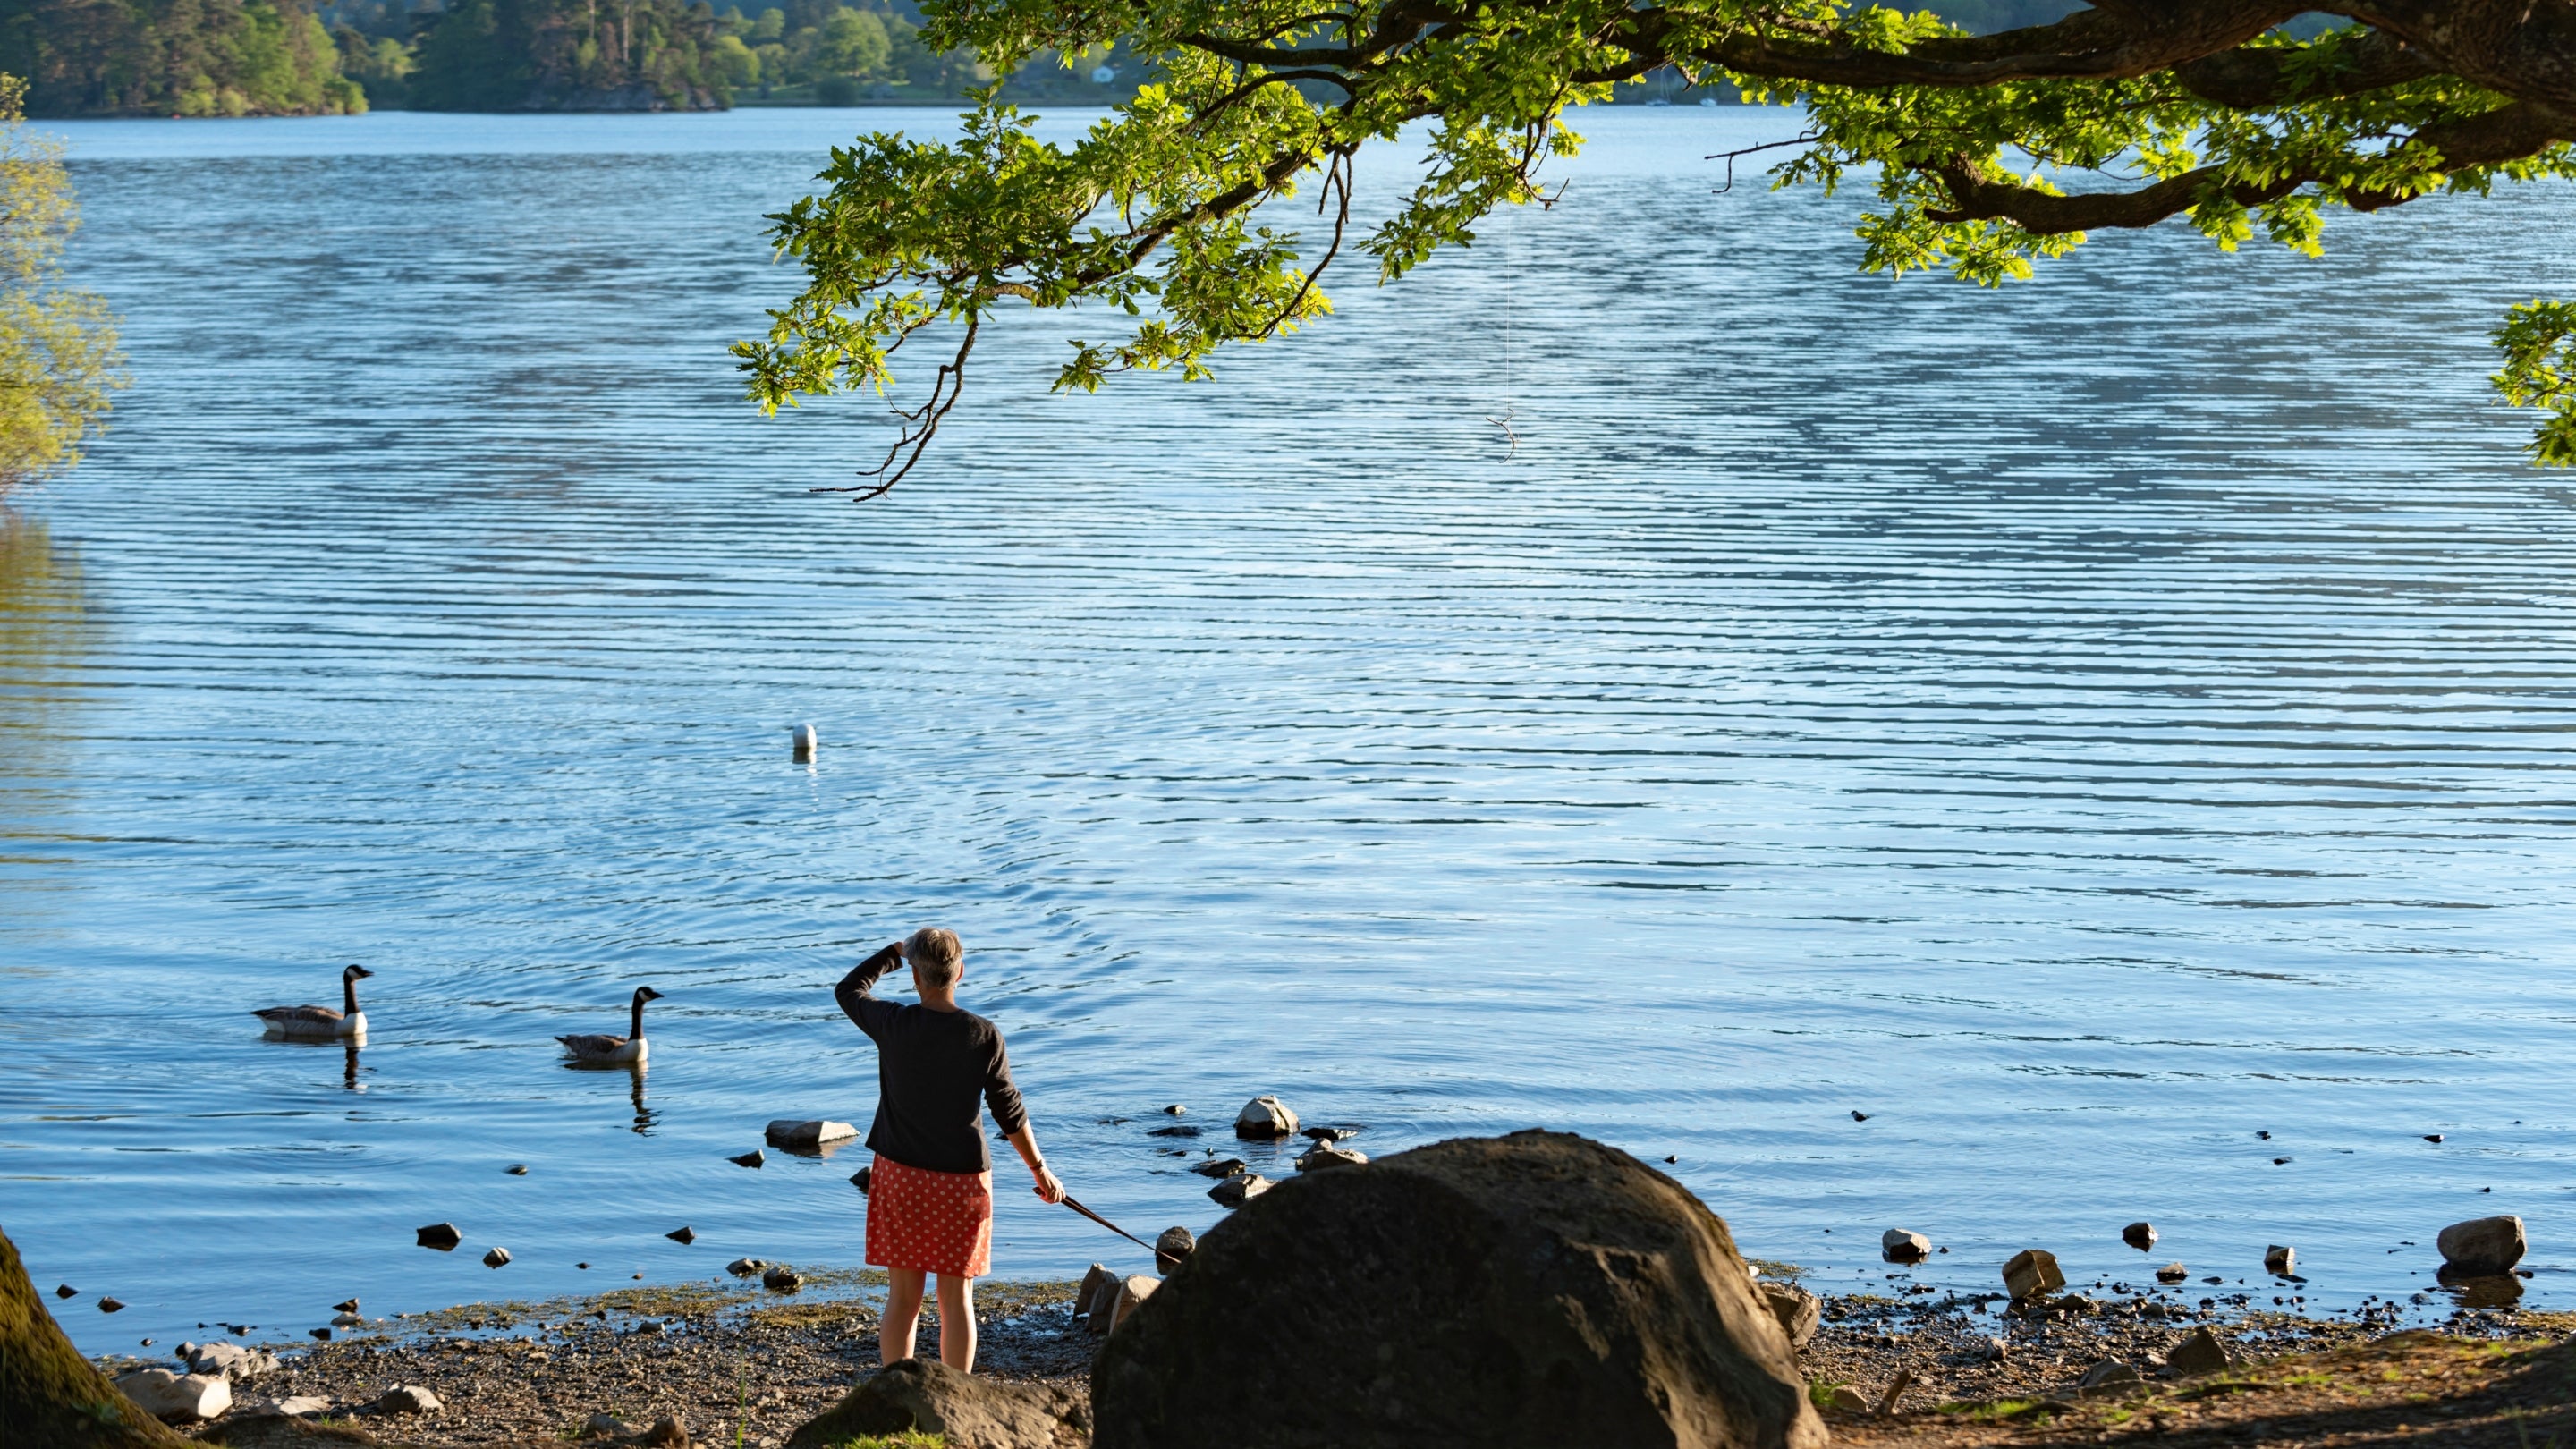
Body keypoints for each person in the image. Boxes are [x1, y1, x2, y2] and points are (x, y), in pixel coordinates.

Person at [836, 927, 1064, 1372]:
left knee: (903, 1299)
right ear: (960, 972)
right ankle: (957, 1394)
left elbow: (849, 990)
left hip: (900, 1175)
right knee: (956, 1299)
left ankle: (896, 1389)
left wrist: (893, 952)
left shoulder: (893, 1023)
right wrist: (1040, 1171)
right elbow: (1009, 1112)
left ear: (915, 978)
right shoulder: (983, 1035)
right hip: (962, 1181)